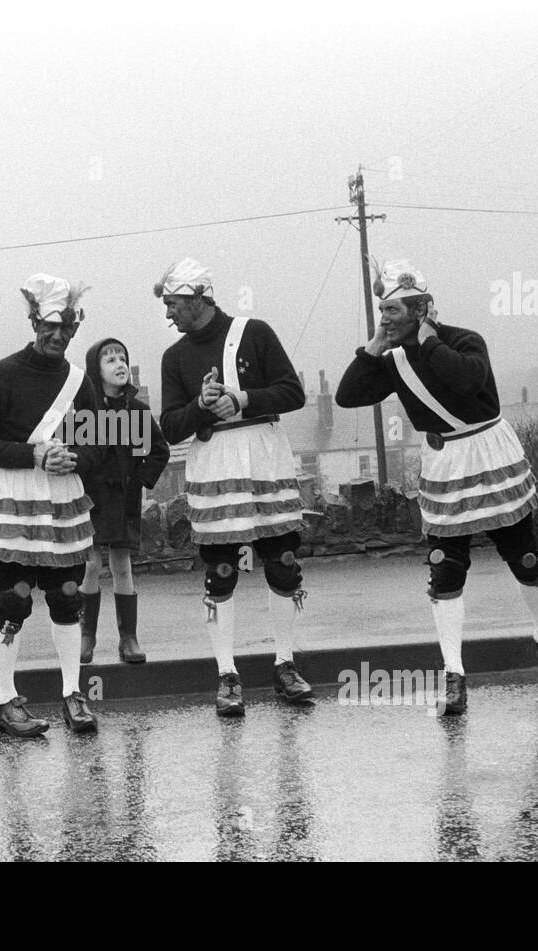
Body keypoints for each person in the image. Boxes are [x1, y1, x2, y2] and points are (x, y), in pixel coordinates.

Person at [335, 260, 538, 716]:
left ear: (421, 310)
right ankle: (454, 673)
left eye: (394, 310)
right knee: (444, 569)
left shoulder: (464, 340)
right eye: (382, 310)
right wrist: (374, 347)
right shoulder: (391, 358)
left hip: (488, 452)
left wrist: (428, 340)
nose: (385, 317)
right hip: (444, 461)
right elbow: (348, 396)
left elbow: (465, 379)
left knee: (523, 556)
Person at [156, 257, 315, 716]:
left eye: (173, 305)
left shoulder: (255, 332)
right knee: (221, 569)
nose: (168, 315)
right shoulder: (175, 357)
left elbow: (292, 392)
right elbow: (169, 427)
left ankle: (285, 664)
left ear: (196, 299)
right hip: (215, 461)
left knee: (283, 562)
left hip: (264, 453)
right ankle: (227, 674)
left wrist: (242, 399)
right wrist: (202, 406)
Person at [0, 274, 104, 736]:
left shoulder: (79, 383)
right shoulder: (0, 375)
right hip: (12, 501)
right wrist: (34, 454)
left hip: (61, 500)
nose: (57, 336)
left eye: (66, 329)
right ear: (33, 322)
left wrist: (75, 457)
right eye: (49, 327)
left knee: (67, 597)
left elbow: (101, 444)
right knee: (14, 599)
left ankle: (72, 695)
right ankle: (5, 701)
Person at [78, 337, 170, 664]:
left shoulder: (137, 412)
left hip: (123, 500)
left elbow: (159, 452)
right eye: (110, 360)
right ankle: (85, 637)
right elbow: (74, 454)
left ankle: (128, 638)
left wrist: (140, 479)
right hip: (91, 500)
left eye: (122, 358)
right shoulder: (84, 413)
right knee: (90, 564)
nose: (119, 364)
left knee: (122, 565)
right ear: (95, 370)